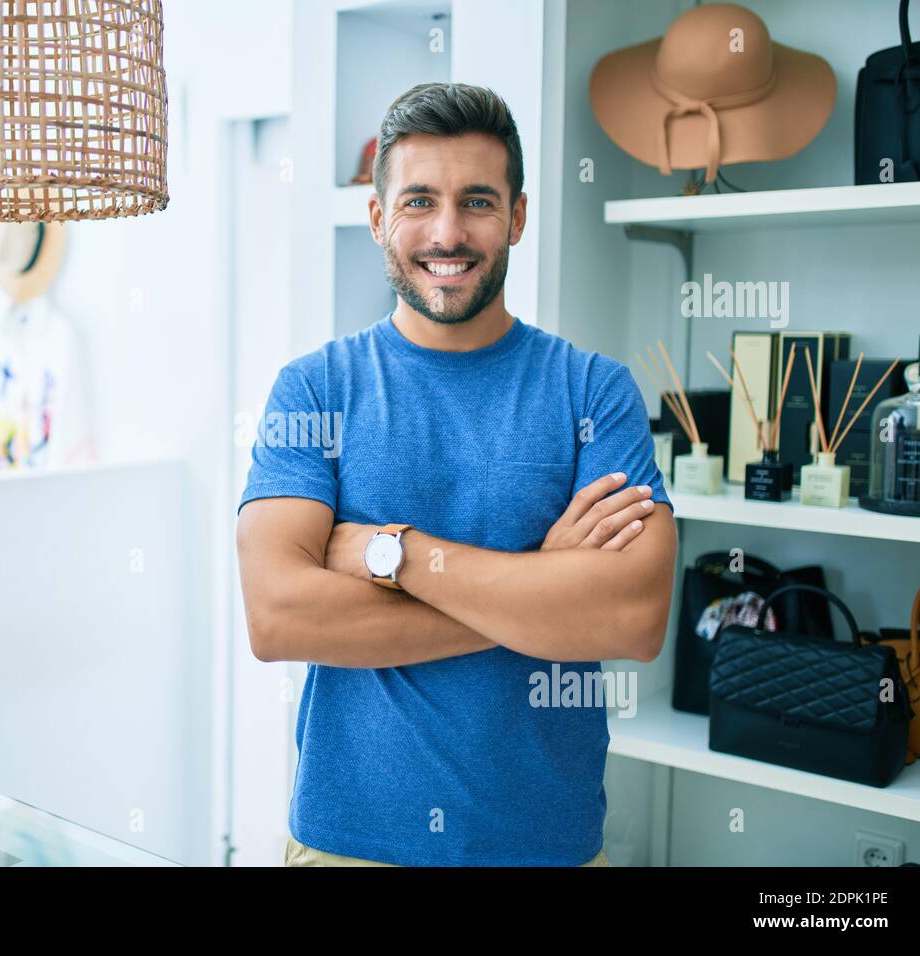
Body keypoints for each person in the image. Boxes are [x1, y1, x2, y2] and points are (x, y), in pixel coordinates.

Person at [235, 82, 677, 867]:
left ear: (518, 216)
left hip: (547, 850)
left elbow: (634, 618)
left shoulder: (593, 390)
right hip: (350, 849)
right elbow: (277, 617)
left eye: (477, 201)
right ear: (378, 219)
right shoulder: (315, 391)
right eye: (418, 202)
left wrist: (391, 557)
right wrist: (541, 589)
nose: (448, 232)